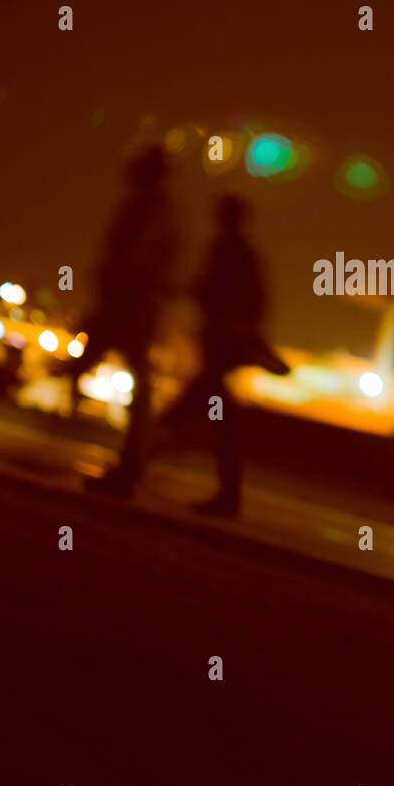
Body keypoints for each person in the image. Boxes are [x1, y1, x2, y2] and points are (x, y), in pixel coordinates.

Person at [165, 194, 287, 517]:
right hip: (223, 346)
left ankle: (138, 463)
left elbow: (211, 292)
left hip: (220, 345)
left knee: (203, 411)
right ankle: (226, 494)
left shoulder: (228, 250)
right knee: (214, 414)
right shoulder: (242, 253)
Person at [71, 145, 181, 499]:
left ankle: (134, 464)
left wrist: (116, 293)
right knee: (137, 379)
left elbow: (131, 257)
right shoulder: (159, 210)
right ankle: (135, 462)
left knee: (135, 380)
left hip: (130, 302)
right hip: (135, 302)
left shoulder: (147, 209)